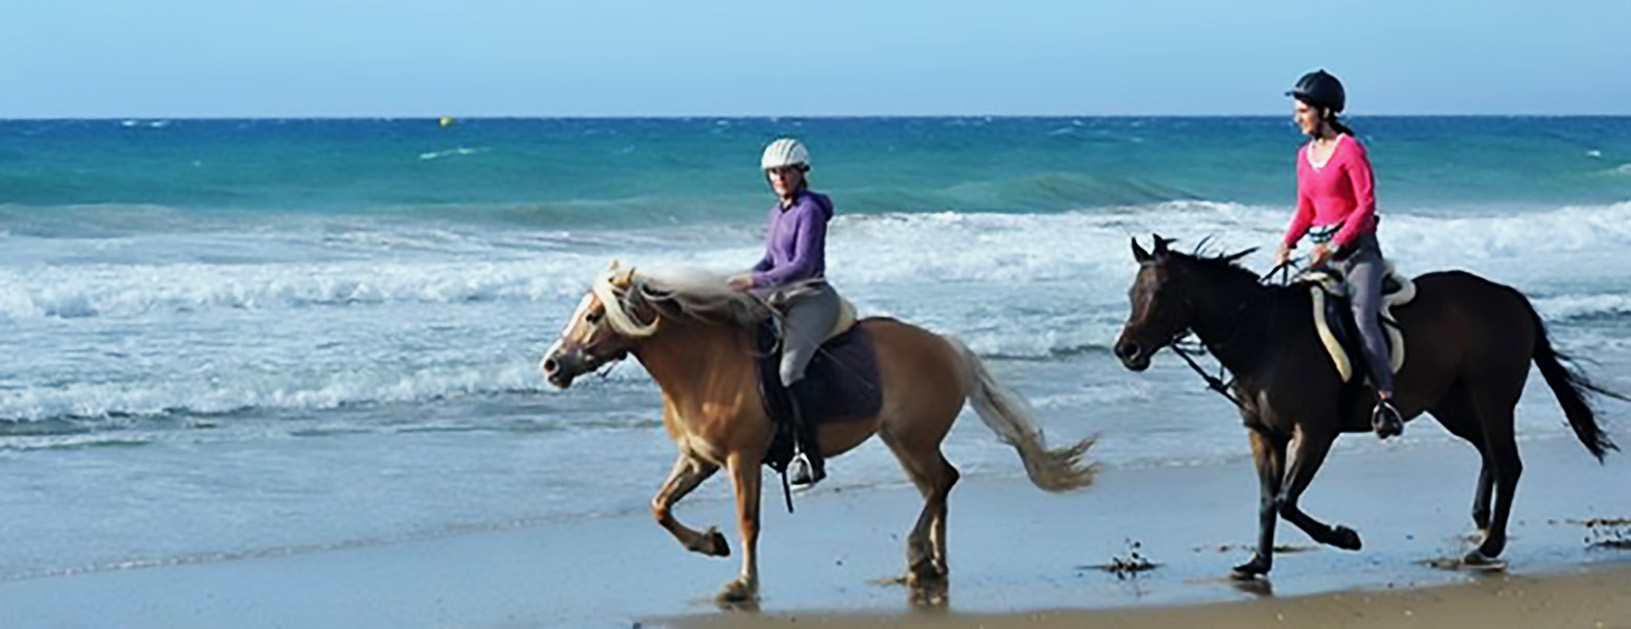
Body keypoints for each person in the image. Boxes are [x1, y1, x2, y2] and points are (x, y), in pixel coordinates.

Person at [1274, 70, 1405, 439]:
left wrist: (1334, 245)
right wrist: (1288, 243)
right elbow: (1306, 208)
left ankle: (1385, 398)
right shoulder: (1304, 156)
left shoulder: (1350, 150)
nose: (1296, 117)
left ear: (1326, 112)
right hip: (1321, 255)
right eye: (1297, 110)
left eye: (1303, 111)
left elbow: (1365, 206)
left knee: (1362, 318)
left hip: (1358, 253)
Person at [728, 138, 841, 485]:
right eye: (774, 172)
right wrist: (741, 278)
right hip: (780, 295)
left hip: (810, 297)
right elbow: (771, 260)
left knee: (790, 370)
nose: (779, 177)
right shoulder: (776, 213)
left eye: (786, 171)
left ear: (801, 172)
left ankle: (810, 456)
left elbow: (802, 265)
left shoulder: (809, 210)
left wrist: (757, 279)